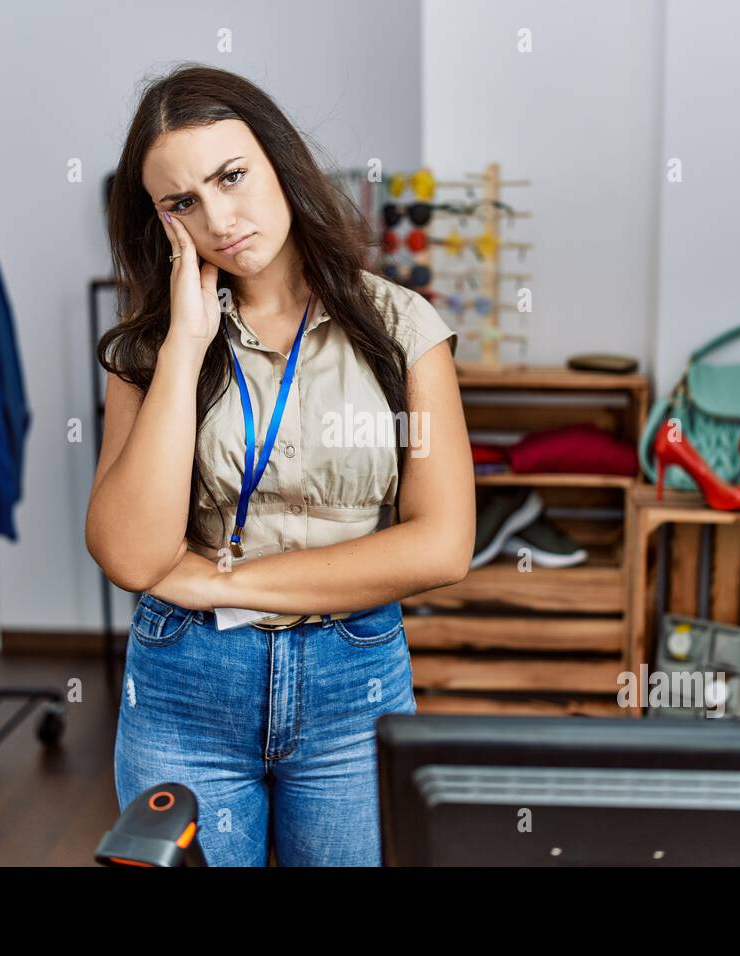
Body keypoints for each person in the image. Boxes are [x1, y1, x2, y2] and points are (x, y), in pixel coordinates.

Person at [86, 63, 475, 866]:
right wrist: (187, 345)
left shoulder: (404, 328)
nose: (219, 218)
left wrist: (219, 582)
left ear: (280, 163)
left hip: (352, 681)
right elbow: (128, 553)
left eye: (232, 176)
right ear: (160, 222)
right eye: (181, 202)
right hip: (185, 685)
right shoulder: (152, 347)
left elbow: (441, 546)